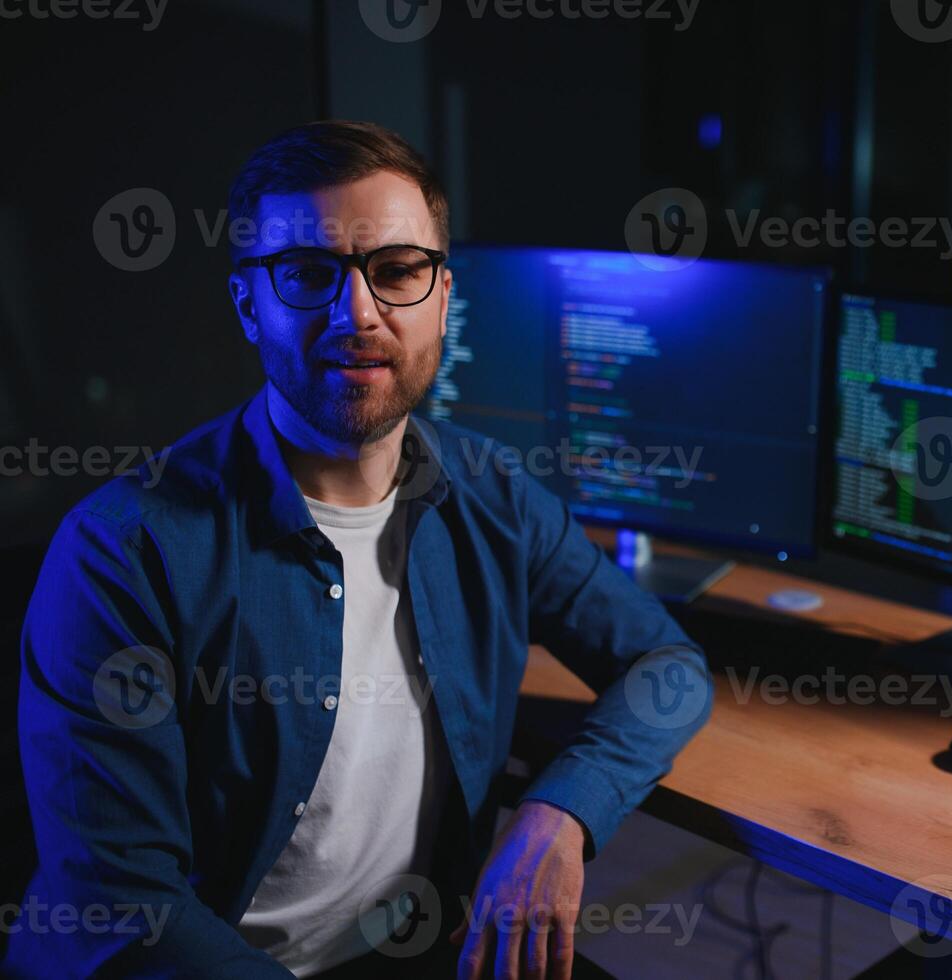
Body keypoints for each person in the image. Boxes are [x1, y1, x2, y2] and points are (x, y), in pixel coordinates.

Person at [6, 120, 711, 979]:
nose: (359, 313)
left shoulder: (492, 491)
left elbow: (665, 665)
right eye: (308, 274)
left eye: (397, 271)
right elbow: (124, 909)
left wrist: (559, 812)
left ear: (443, 294)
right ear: (246, 306)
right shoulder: (121, 553)